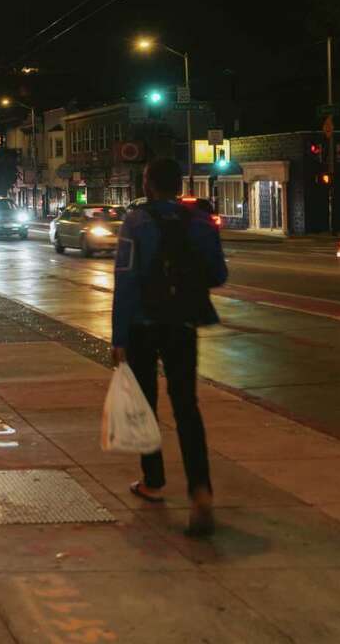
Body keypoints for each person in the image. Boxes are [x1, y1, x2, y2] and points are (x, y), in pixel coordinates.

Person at [111, 156, 228, 536]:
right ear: (178, 185)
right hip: (182, 322)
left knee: (146, 406)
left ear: (148, 184)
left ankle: (153, 481)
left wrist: (119, 337)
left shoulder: (136, 221)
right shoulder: (197, 221)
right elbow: (219, 273)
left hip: (144, 325)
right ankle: (200, 493)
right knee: (187, 408)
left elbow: (126, 280)